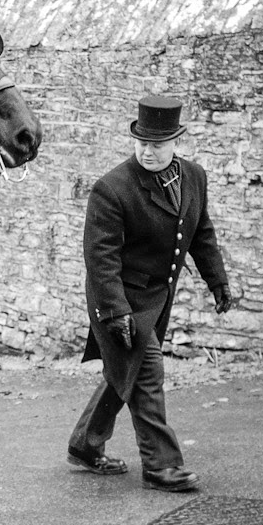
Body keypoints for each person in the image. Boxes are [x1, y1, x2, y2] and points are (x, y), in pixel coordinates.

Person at [66, 94, 234, 493]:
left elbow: (201, 233)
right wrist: (116, 312)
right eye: (142, 142)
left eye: (158, 144)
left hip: (156, 300)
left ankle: (85, 444)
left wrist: (218, 281)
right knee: (146, 374)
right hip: (118, 301)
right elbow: (100, 258)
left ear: (176, 142)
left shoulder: (193, 177)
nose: (149, 151)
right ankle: (162, 466)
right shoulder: (112, 189)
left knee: (122, 371)